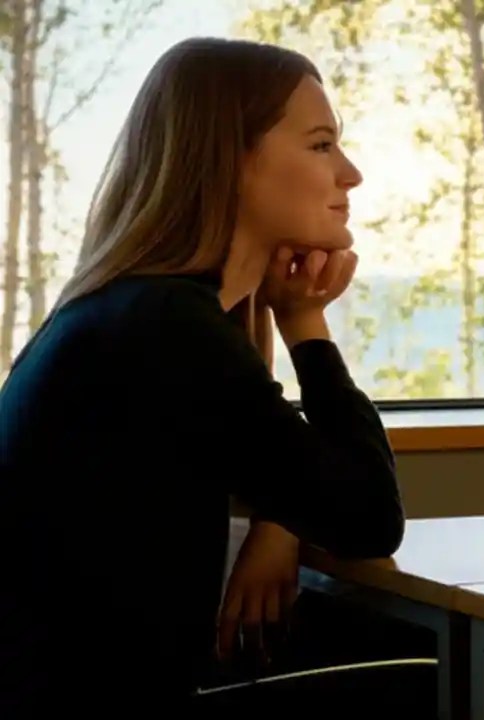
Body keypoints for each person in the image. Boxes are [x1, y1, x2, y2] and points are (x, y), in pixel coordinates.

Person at [0, 37, 425, 711]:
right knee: (434, 675)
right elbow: (369, 520)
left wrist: (277, 522)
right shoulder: (166, 328)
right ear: (232, 161)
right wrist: (307, 326)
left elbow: (282, 464)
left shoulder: (136, 309)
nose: (350, 174)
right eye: (321, 145)